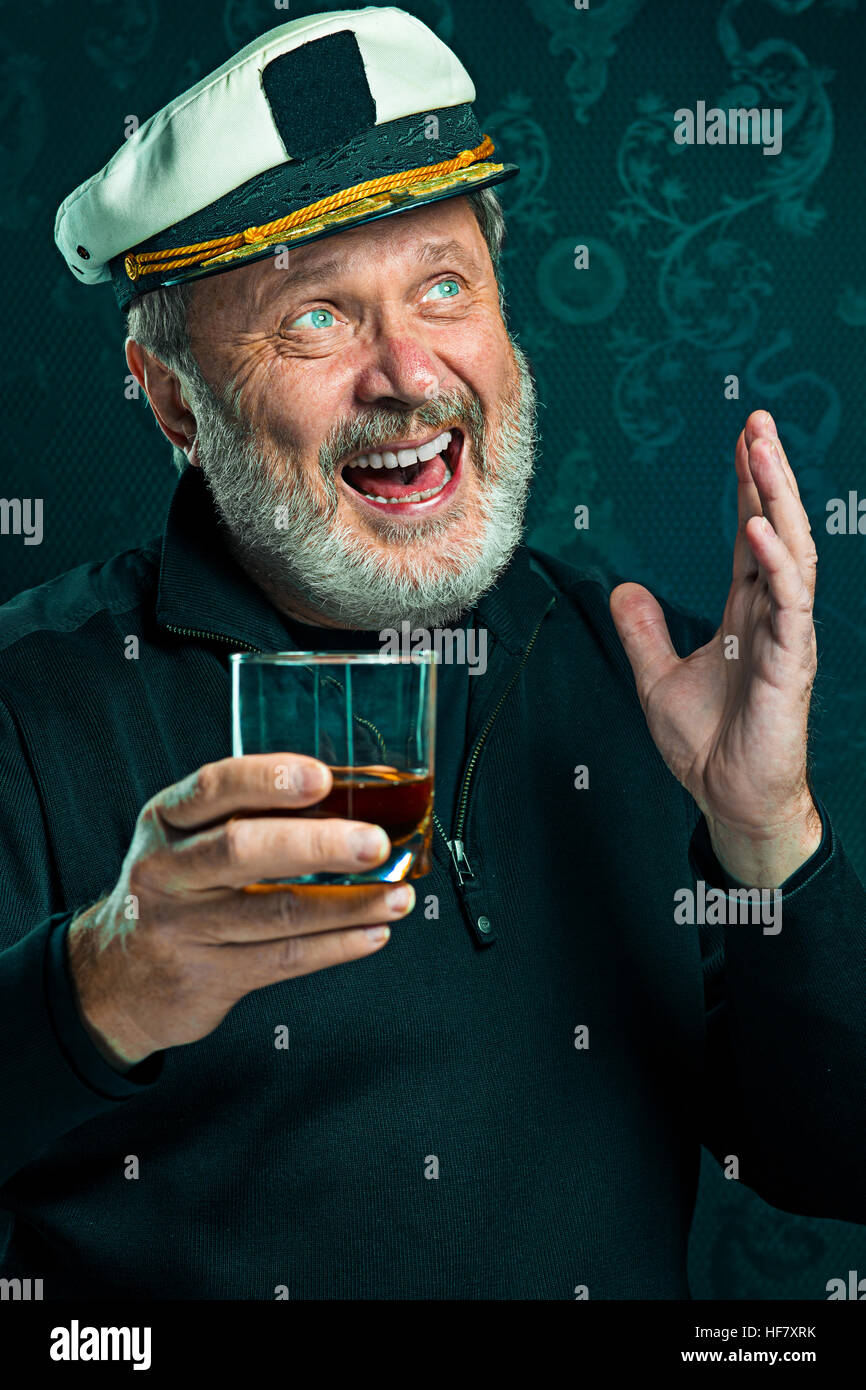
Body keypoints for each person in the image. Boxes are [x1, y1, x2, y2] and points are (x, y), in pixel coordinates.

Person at [1, 8, 863, 1301]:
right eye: (315, 319)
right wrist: (97, 987)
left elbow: (832, 1159)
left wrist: (768, 839)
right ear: (175, 398)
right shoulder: (31, 699)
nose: (409, 372)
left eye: (443, 288)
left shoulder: (655, 680)